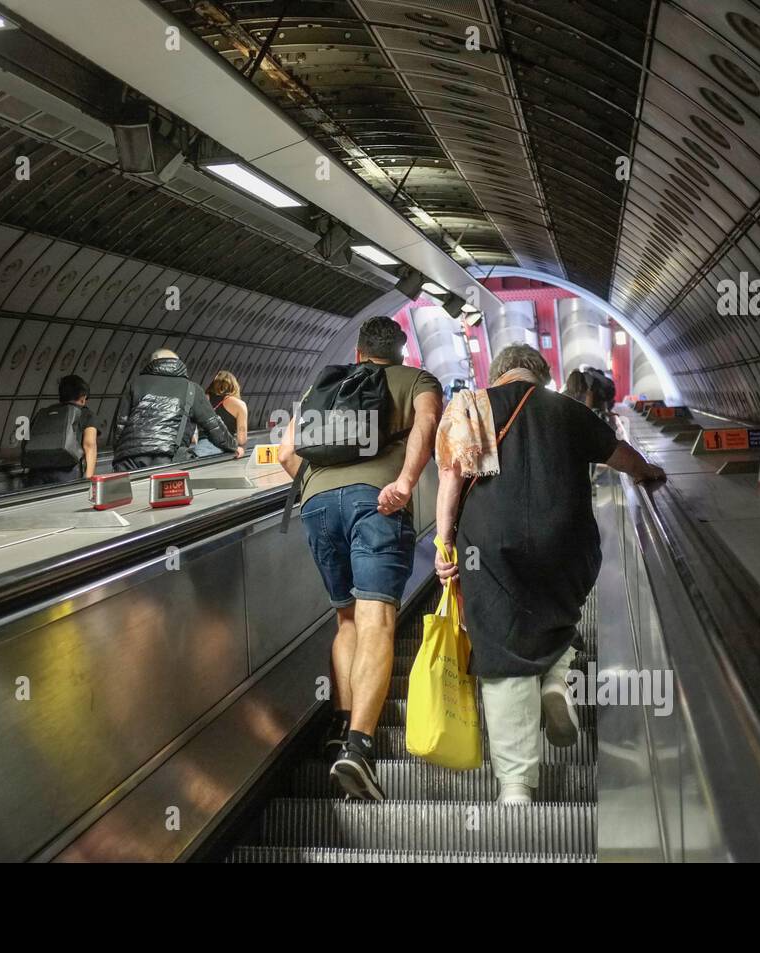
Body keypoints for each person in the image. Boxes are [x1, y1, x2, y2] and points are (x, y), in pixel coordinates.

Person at [433, 344, 664, 806]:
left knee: (501, 647)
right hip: (566, 541)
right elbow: (619, 455)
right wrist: (648, 472)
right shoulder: (567, 409)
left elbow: (452, 480)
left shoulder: (470, 406)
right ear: (540, 375)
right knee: (557, 610)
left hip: (490, 546)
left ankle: (517, 785)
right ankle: (557, 680)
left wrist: (443, 545)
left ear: (497, 375)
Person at [278, 316, 442, 800]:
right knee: (377, 622)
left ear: (358, 352)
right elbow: (429, 423)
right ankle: (358, 748)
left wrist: (313, 490)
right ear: (400, 351)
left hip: (318, 505)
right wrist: (405, 483)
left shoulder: (324, 385)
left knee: (346, 621)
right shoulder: (416, 380)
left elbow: (288, 452)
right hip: (377, 502)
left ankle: (339, 725)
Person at [113, 349, 242, 471]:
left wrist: (119, 453)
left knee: (129, 494)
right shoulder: (192, 389)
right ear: (178, 363)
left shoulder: (134, 383)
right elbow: (214, 426)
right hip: (168, 458)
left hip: (127, 460)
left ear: (152, 363)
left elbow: (121, 425)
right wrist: (234, 447)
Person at [26, 374, 99, 485]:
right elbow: (89, 445)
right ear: (83, 398)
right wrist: (88, 480)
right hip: (67, 472)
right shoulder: (86, 414)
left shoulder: (43, 413)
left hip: (37, 471)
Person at [193, 371, 247, 458]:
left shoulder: (203, 399)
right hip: (226, 449)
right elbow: (242, 439)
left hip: (201, 448)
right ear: (234, 386)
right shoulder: (239, 404)